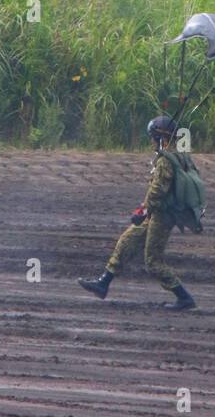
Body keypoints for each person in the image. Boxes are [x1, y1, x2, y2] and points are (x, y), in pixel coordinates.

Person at [77, 115, 197, 311]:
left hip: (163, 216)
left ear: (160, 138)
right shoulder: (172, 155)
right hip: (155, 212)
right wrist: (145, 208)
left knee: (153, 261)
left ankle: (184, 298)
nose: (150, 141)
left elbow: (158, 190)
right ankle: (103, 284)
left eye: (152, 137)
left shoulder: (167, 159)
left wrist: (144, 210)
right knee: (127, 241)